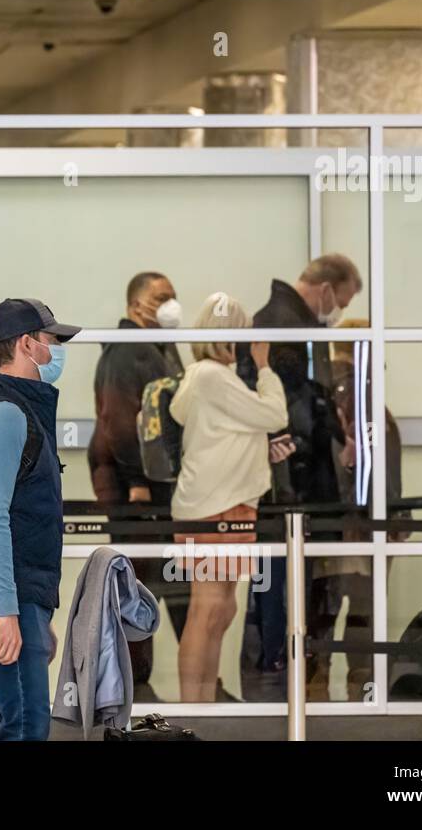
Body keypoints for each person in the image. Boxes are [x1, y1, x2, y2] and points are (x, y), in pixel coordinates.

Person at [0, 298, 79, 741]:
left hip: (15, 596)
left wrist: (35, 613)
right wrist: (9, 611)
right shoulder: (4, 414)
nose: (57, 350)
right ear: (27, 344)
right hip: (3, 598)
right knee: (25, 725)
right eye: (52, 340)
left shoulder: (20, 409)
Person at [237, 252, 361, 699]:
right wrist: (328, 430)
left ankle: (278, 676)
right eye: (340, 299)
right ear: (326, 288)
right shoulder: (286, 326)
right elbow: (294, 409)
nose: (338, 310)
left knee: (279, 592)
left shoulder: (287, 320)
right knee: (282, 595)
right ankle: (275, 681)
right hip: (290, 486)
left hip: (289, 481)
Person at [169, 294, 290, 702]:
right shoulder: (211, 376)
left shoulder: (205, 376)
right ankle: (194, 706)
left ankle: (203, 703)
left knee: (222, 609)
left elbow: (240, 425)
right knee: (208, 608)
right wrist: (265, 367)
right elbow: (274, 415)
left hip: (225, 500)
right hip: (216, 504)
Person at [87, 270, 188, 695]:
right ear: (135, 306)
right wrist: (136, 481)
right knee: (137, 588)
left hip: (163, 487)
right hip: (137, 491)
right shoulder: (127, 351)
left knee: (175, 583)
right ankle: (131, 688)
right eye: (161, 297)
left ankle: (180, 684)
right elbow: (119, 422)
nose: (170, 304)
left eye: (173, 295)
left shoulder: (160, 347)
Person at [309, 318, 407, 701]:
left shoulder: (343, 390)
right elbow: (353, 460)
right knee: (359, 615)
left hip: (354, 522)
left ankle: (323, 695)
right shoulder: (354, 392)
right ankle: (355, 697)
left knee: (331, 614)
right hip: (359, 525)